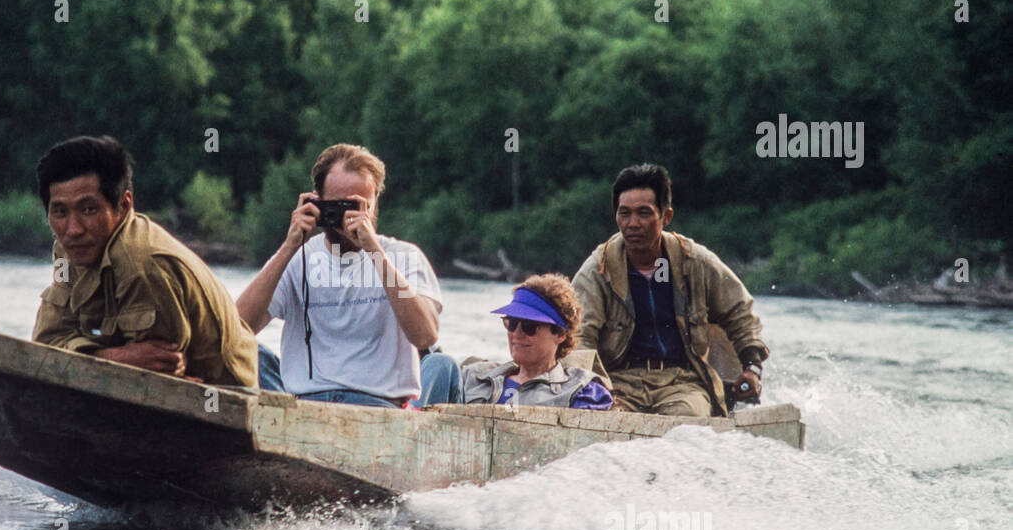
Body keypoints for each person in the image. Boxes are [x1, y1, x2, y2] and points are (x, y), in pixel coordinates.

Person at [30, 135, 257, 387]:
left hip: (223, 397)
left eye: (88, 210)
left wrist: (112, 361)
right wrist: (109, 357)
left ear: (124, 205)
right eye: (60, 212)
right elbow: (46, 342)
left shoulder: (142, 266)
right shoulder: (71, 251)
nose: (72, 229)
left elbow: (157, 372)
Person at [235, 143, 451, 408]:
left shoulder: (402, 256)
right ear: (316, 202)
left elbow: (426, 336)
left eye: (360, 207)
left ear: (375, 204)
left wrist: (373, 250)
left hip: (376, 403)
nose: (349, 218)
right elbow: (236, 329)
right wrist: (289, 246)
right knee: (247, 353)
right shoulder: (297, 258)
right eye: (338, 207)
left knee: (443, 364)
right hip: (304, 401)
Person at [571, 164, 768, 417]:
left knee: (686, 423)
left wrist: (753, 368)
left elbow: (740, 313)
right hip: (616, 381)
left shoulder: (695, 261)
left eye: (644, 213)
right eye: (625, 213)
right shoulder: (597, 269)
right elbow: (579, 336)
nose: (633, 224)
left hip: (683, 382)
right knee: (605, 420)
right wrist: (593, 386)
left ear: (666, 216)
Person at [460, 275, 614, 409]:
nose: (517, 334)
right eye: (512, 323)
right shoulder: (473, 376)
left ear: (560, 334)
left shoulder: (583, 391)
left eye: (529, 326)